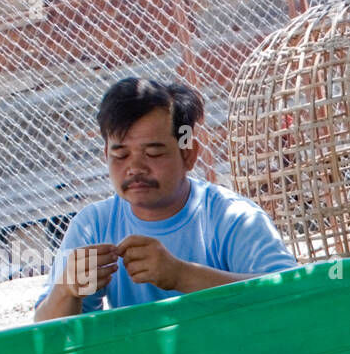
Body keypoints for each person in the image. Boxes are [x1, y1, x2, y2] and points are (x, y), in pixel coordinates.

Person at [34, 78, 297, 321]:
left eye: (153, 153)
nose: (135, 167)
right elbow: (45, 336)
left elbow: (293, 297)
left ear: (189, 154)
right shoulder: (93, 226)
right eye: (121, 155)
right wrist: (67, 290)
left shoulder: (234, 217)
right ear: (106, 154)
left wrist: (181, 275)